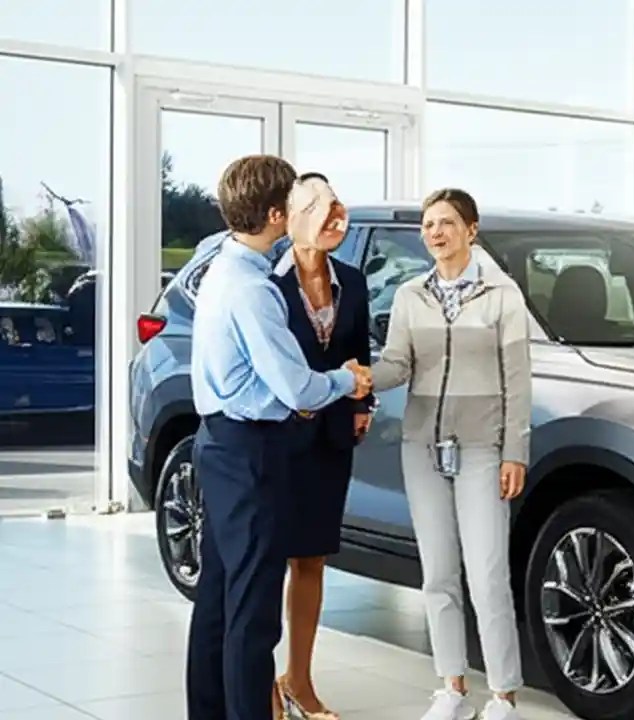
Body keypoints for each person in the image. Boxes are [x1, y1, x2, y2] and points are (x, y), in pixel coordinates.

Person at [186, 154, 372, 720]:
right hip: (251, 453)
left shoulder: (226, 266)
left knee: (218, 599)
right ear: (274, 214)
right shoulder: (255, 289)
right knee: (253, 612)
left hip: (221, 445)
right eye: (292, 204)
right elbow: (296, 388)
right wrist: (349, 380)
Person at [370, 188, 531, 720]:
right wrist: (364, 377)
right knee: (437, 571)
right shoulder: (410, 295)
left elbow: (517, 382)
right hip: (422, 448)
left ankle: (503, 694)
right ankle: (453, 688)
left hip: (483, 447)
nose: (434, 233)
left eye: (445, 223)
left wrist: (515, 452)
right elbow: (398, 365)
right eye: (427, 225)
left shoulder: (502, 296)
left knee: (487, 574)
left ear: (471, 230)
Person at [272, 172, 374, 720]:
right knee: (265, 562)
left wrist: (361, 407)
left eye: (339, 204)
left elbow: (359, 349)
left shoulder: (353, 281)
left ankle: (300, 681)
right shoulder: (266, 279)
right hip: (274, 440)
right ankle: (262, 679)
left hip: (329, 440)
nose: (337, 215)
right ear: (289, 217)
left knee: (310, 559)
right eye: (322, 206)